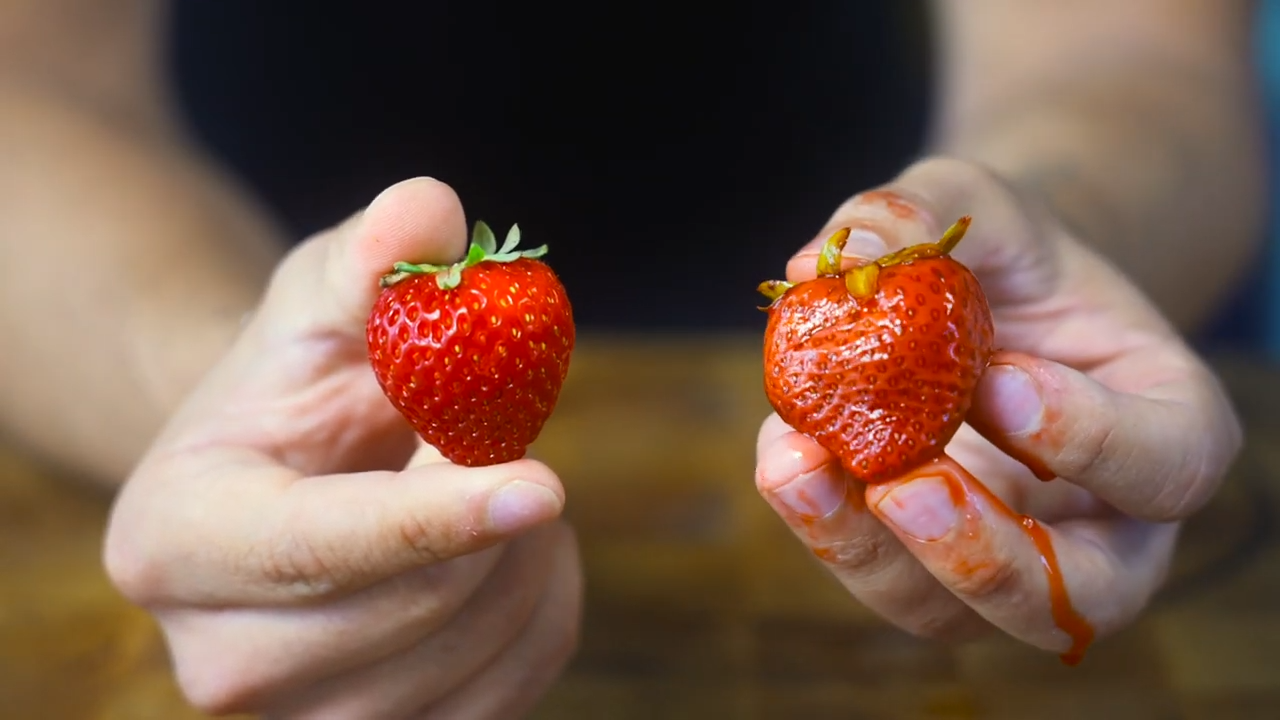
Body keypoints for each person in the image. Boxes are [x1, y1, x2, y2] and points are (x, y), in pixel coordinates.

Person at [0, 0, 1266, 716]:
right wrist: (211, 384)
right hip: (222, 261)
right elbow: (26, 89)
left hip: (877, 274)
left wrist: (1044, 231)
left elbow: (1129, 51)